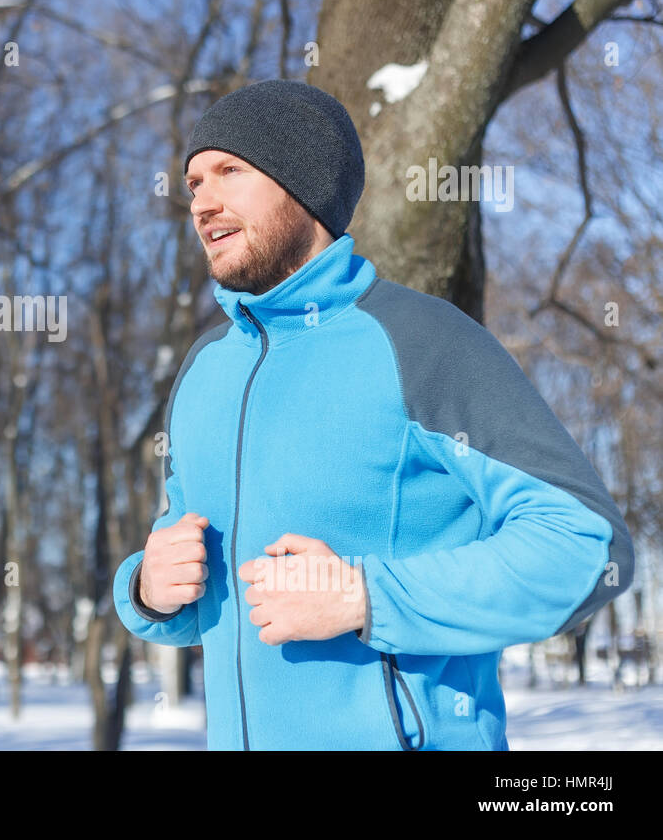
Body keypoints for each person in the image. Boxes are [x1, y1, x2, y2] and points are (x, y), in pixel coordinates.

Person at [111, 79, 634, 750]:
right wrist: (150, 589)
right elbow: (195, 584)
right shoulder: (206, 369)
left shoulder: (423, 343)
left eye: (229, 172)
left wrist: (366, 597)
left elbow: (587, 547)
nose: (202, 203)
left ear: (302, 181)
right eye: (192, 183)